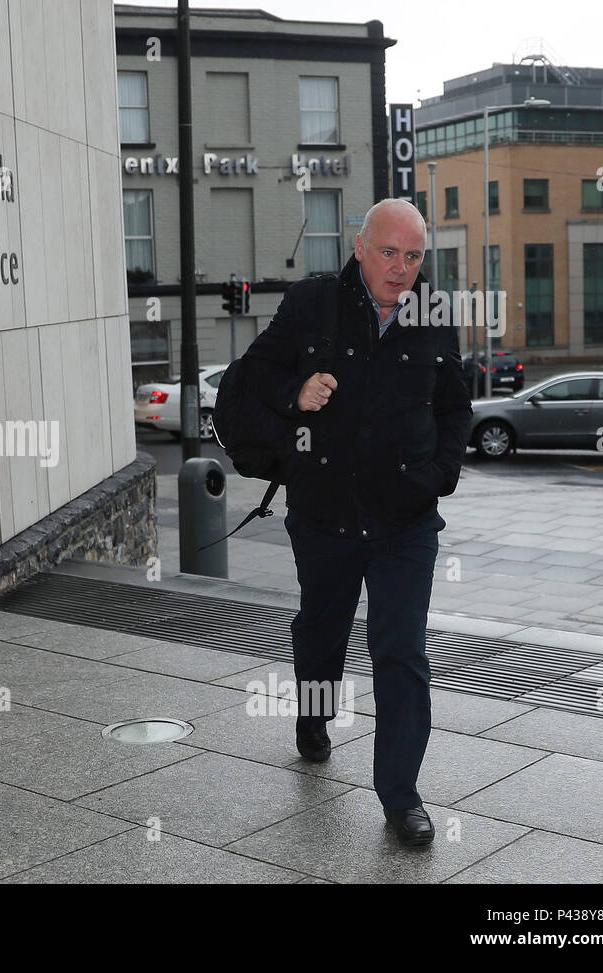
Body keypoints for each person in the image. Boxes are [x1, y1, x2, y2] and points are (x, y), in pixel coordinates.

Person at [244, 198, 473, 846]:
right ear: (359, 247)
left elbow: (456, 407)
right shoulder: (314, 307)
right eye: (389, 252)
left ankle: (400, 796)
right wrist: (295, 397)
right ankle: (314, 715)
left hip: (405, 525)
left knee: (401, 653)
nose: (401, 268)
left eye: (414, 255)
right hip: (325, 517)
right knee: (322, 632)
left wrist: (439, 476)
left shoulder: (434, 317)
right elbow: (261, 377)